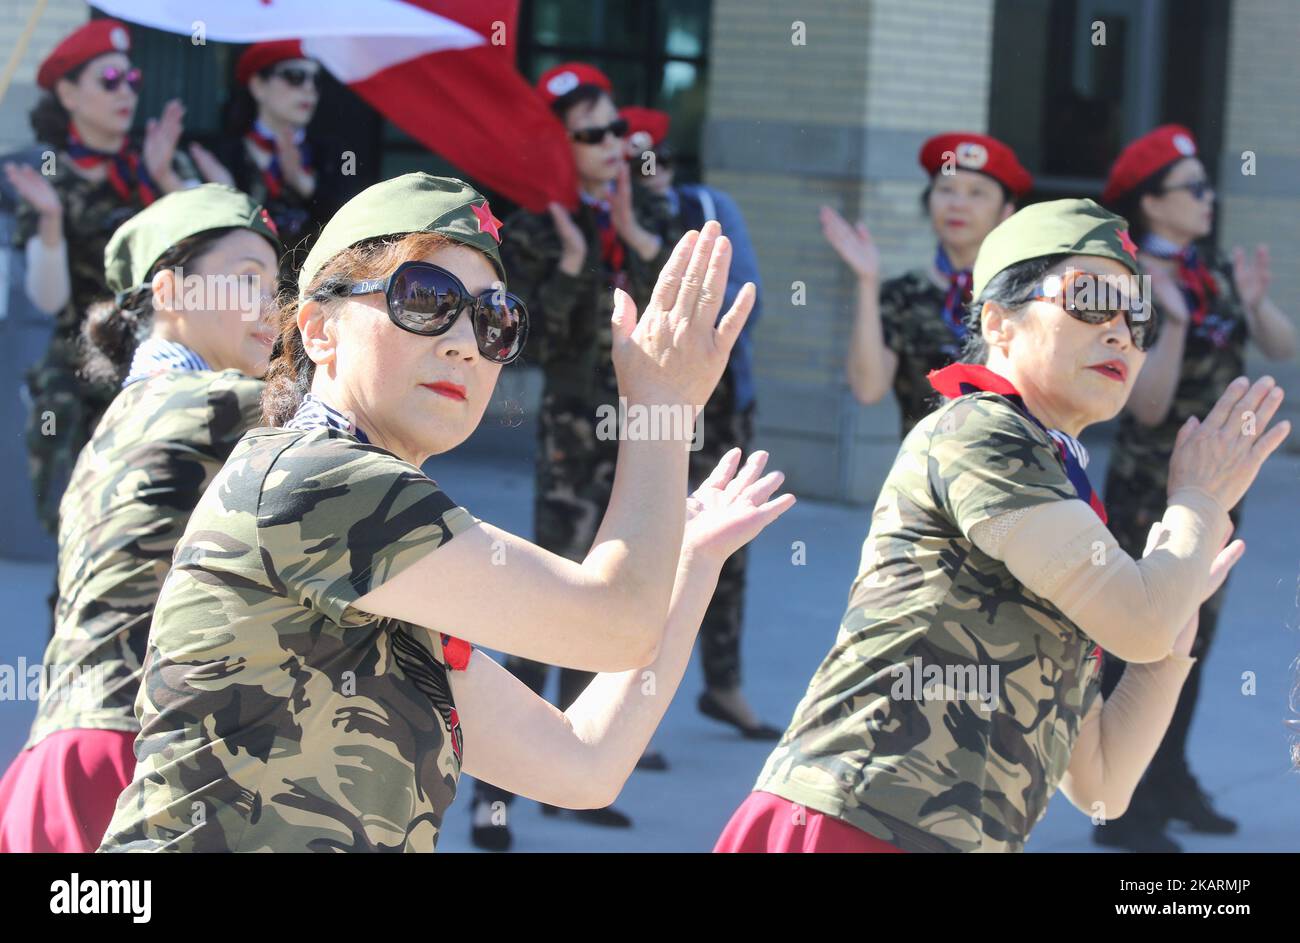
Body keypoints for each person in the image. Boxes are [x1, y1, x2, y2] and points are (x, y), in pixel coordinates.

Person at [97, 173, 792, 852]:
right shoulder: (315, 477)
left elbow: (581, 764)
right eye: (425, 298)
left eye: (493, 319)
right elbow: (615, 624)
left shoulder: (391, 554)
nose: (465, 341)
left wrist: (692, 561)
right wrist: (660, 415)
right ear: (318, 329)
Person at [715, 199, 1289, 852]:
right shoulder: (982, 431)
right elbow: (1138, 619)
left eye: (1140, 316)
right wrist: (1198, 501)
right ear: (999, 321)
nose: (1122, 333)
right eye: (1091, 299)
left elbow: (1102, 784)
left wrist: (1173, 624)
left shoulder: (1060, 489)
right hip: (854, 823)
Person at [0, 184, 280, 852]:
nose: (275, 308)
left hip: (66, 761)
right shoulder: (218, 403)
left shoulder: (127, 414)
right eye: (247, 280)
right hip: (132, 769)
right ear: (171, 292)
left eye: (278, 287)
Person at [470, 62, 676, 846]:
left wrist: (634, 238)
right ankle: (494, 795)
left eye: (616, 128)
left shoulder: (649, 208)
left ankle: (577, 781)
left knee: (617, 604)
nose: (613, 144)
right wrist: (564, 267)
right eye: (590, 133)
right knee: (544, 607)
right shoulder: (532, 225)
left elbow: (682, 316)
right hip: (570, 434)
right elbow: (525, 345)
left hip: (641, 435)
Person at [1094, 125, 1298, 852]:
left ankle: (1171, 773)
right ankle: (1123, 806)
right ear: (1151, 201)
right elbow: (1144, 407)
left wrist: (1254, 300)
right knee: (1145, 637)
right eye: (1194, 189)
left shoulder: (1209, 268)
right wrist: (1171, 324)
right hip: (1155, 491)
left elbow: (1280, 345)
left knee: (1193, 638)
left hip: (1220, 487)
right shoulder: (1129, 282)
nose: (1209, 199)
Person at [2, 18, 210, 543]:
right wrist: (51, 221)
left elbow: (211, 258)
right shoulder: (49, 173)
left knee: (157, 533)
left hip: (161, 367)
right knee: (78, 532)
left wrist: (166, 181)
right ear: (68, 93)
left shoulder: (159, 162)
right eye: (110, 80)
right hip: (78, 376)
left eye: (133, 81)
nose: (127, 93)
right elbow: (47, 298)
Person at [622, 105, 777, 741]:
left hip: (716, 406)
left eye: (655, 161)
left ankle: (724, 685)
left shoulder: (706, 209)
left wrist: (650, 243)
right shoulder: (600, 217)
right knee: (646, 546)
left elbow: (744, 303)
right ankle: (631, 705)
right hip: (633, 415)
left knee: (725, 541)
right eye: (633, 167)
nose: (648, 176)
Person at [822, 132, 1031, 437]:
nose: (958, 203)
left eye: (977, 193)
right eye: (946, 189)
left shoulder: (1023, 295)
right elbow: (868, 390)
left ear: (1005, 212)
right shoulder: (902, 295)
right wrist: (868, 282)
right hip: (924, 476)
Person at [202, 40, 348, 284]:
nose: (308, 89)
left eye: (316, 80)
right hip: (241, 291)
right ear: (258, 86)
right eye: (295, 76)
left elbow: (347, 226)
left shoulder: (332, 154)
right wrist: (227, 193)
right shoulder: (224, 155)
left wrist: (304, 184)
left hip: (312, 291)